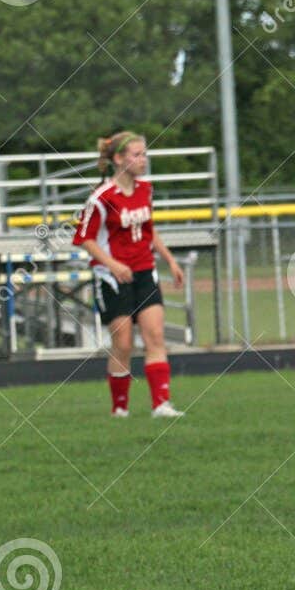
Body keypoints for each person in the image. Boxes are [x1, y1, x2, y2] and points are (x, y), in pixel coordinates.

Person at [72, 131, 187, 418]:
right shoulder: (101, 197)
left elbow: (149, 231)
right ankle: (119, 409)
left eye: (144, 154)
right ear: (119, 159)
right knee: (122, 344)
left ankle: (161, 404)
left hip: (144, 270)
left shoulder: (146, 189)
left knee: (155, 336)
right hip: (113, 277)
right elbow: (84, 238)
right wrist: (112, 264)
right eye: (136, 155)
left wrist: (170, 260)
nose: (142, 160)